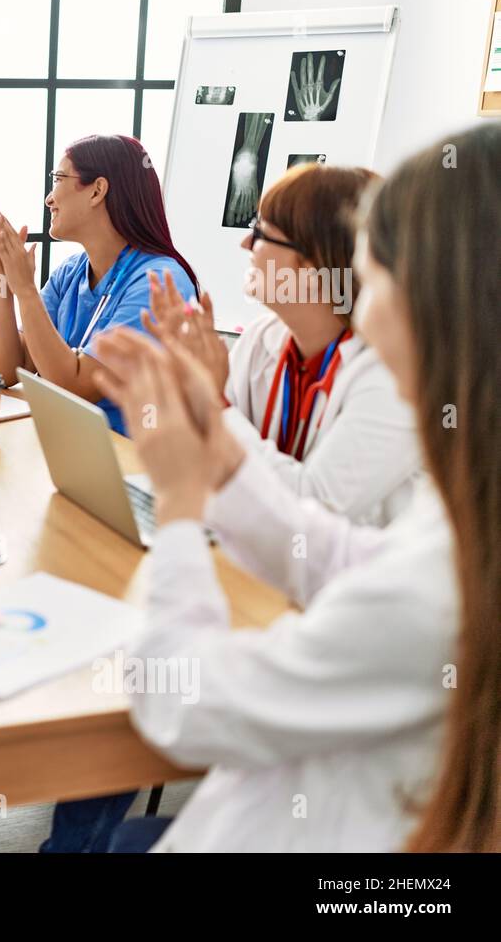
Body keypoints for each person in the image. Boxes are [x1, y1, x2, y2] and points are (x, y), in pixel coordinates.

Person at [91, 122, 499, 852]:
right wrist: (213, 445)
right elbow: (339, 554)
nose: (360, 305)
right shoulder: (466, 516)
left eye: (370, 276)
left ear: (427, 299)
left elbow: (182, 705)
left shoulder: (436, 590)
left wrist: (182, 507)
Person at [144, 162, 419, 526]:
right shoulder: (263, 338)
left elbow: (314, 507)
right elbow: (205, 458)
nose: (245, 243)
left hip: (356, 577)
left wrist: (215, 404)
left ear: (310, 262)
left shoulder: (391, 377)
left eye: (260, 232)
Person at [0, 133, 198, 434]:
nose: (49, 199)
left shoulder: (157, 283)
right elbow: (7, 370)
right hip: (78, 445)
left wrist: (26, 291)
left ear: (97, 191)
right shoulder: (71, 272)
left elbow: (75, 386)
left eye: (58, 179)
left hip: (136, 464)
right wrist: (3, 279)